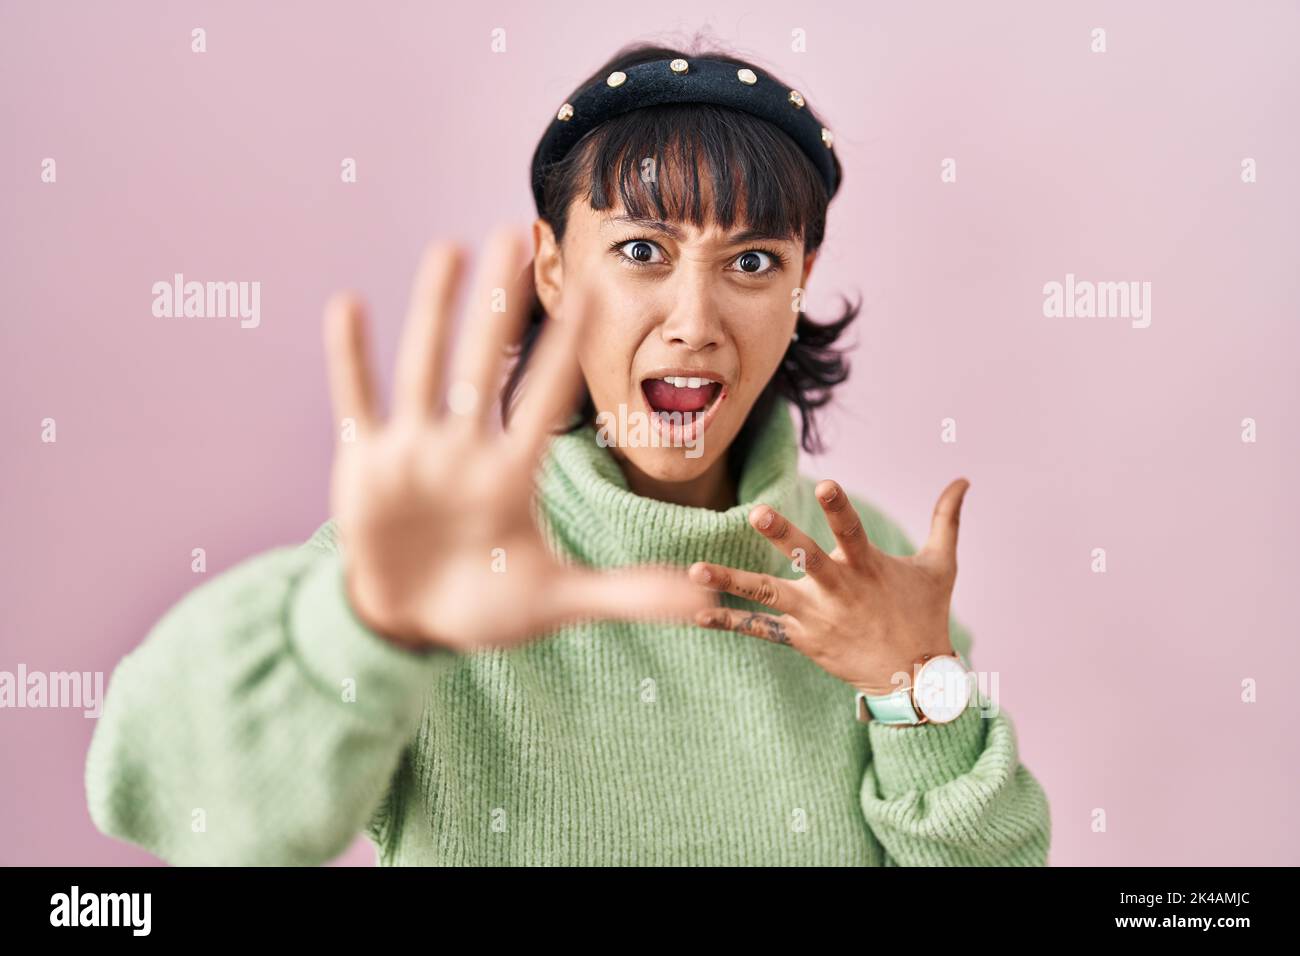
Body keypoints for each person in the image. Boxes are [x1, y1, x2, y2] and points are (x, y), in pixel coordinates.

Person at [85, 41, 1051, 866]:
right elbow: (152, 792)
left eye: (753, 262)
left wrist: (913, 692)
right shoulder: (434, 559)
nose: (694, 322)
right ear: (552, 267)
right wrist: (366, 626)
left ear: (801, 284)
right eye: (642, 250)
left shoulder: (871, 574)